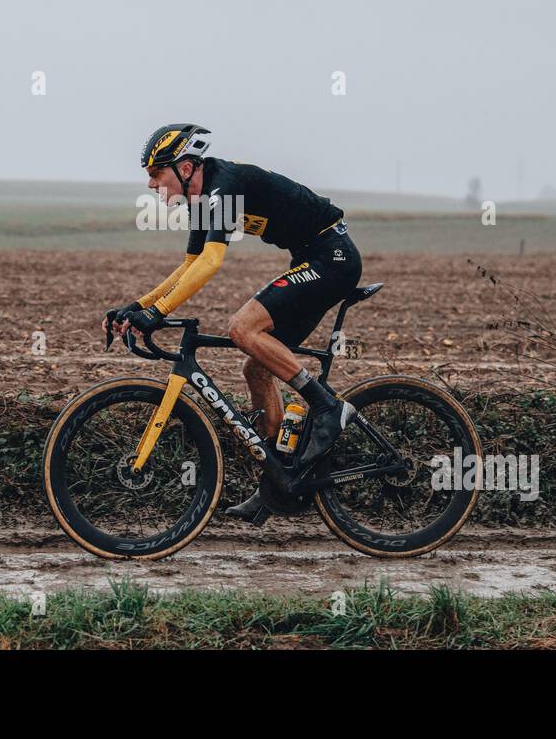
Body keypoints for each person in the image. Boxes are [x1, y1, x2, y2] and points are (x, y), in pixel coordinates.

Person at [104, 123, 363, 524]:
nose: (153, 185)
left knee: (242, 329)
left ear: (186, 167)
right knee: (257, 367)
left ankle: (328, 408)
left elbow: (212, 262)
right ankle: (279, 483)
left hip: (333, 258)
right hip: (311, 259)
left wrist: (157, 315)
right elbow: (191, 263)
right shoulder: (202, 199)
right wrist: (140, 304)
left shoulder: (224, 185)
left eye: (157, 174)